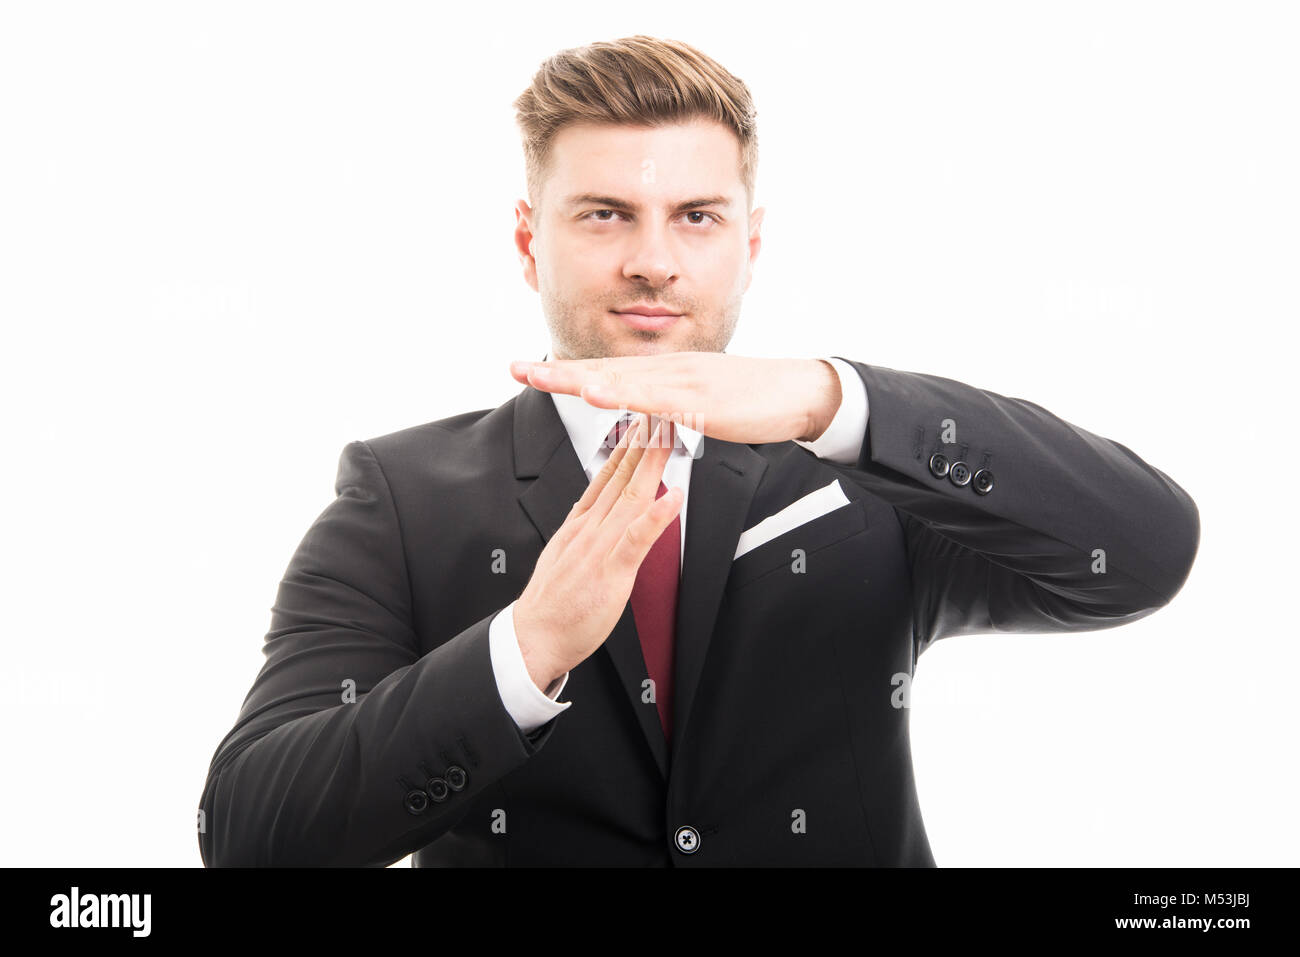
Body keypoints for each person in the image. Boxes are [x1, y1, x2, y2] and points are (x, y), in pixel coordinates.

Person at [197, 35, 1199, 867]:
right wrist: (528, 646)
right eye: (604, 214)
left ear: (748, 243)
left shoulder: (866, 474)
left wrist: (832, 400)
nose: (653, 260)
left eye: (696, 217)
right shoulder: (402, 495)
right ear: (526, 239)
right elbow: (250, 833)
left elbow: (1141, 554)